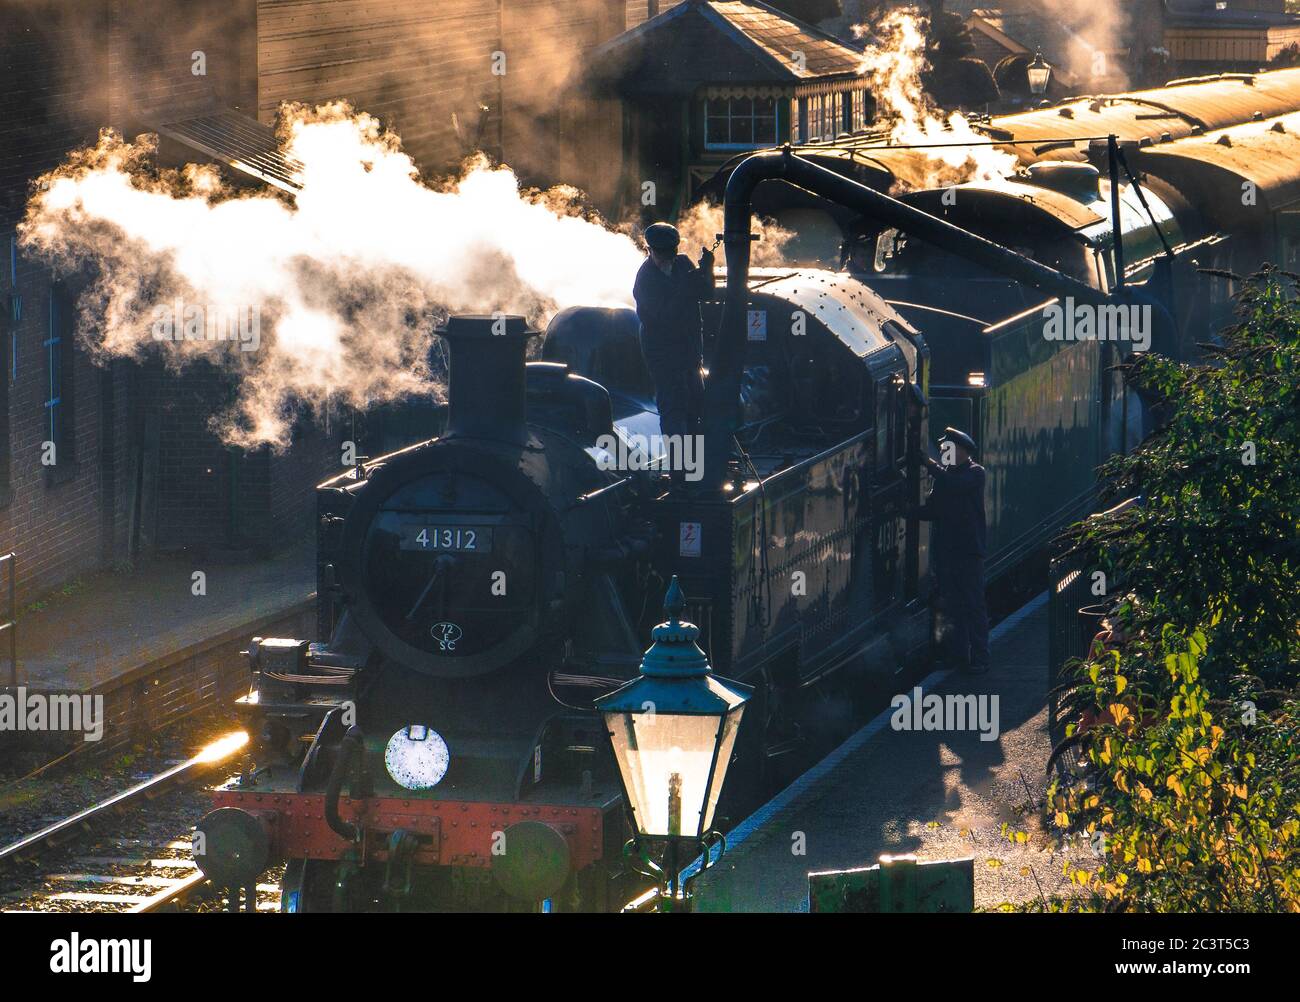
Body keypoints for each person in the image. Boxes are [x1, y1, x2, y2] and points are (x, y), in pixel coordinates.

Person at [632, 222, 715, 452]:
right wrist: (685, 288)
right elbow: (664, 318)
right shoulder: (645, 280)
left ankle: (697, 460)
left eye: (671, 253)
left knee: (697, 404)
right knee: (672, 408)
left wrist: (708, 270)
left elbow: (707, 293)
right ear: (650, 250)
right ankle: (679, 466)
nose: (667, 259)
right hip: (662, 353)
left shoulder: (682, 264)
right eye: (661, 254)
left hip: (689, 348)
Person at [914, 427, 989, 674]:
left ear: (962, 451)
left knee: (974, 606)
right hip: (948, 552)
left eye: (948, 448)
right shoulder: (945, 477)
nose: (944, 452)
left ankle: (980, 658)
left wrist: (930, 465)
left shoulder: (975, 473)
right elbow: (934, 511)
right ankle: (959, 657)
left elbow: (956, 486)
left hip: (969, 552)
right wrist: (906, 511)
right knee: (954, 607)